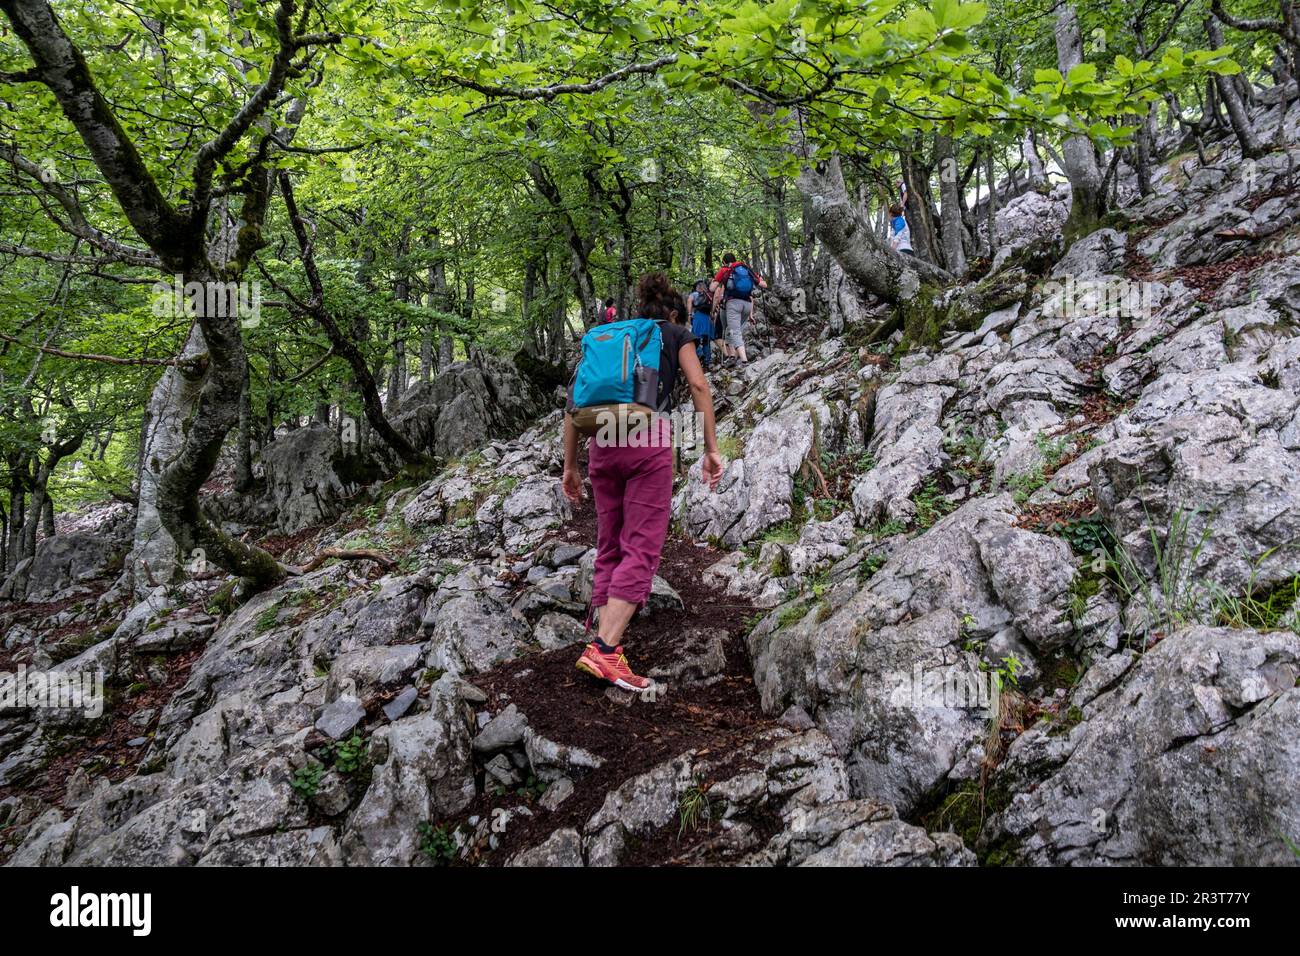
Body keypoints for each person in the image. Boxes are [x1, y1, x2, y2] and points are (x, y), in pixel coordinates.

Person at [562, 272, 724, 690]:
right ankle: (605, 650)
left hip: (601, 442)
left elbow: (573, 402)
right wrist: (710, 448)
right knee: (641, 546)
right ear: (673, 310)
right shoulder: (674, 334)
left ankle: (600, 637)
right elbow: (699, 385)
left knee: (610, 543)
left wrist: (570, 466)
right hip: (646, 440)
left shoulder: (617, 338)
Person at [709, 252, 766, 366]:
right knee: (731, 330)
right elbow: (763, 285)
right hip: (747, 304)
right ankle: (732, 357)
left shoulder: (724, 269)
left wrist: (718, 281)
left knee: (734, 331)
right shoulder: (745, 268)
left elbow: (712, 288)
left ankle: (744, 361)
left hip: (733, 303)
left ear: (724, 262)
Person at [688, 278, 714, 370]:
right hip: (707, 317)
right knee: (706, 340)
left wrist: (689, 314)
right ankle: (708, 362)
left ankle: (700, 354)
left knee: (695, 338)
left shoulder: (694, 294)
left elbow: (689, 302)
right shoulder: (708, 294)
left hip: (698, 316)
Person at [889, 183, 914, 256]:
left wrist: (891, 252)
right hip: (903, 250)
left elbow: (897, 238)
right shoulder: (897, 222)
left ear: (891, 213)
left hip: (903, 250)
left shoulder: (899, 222)